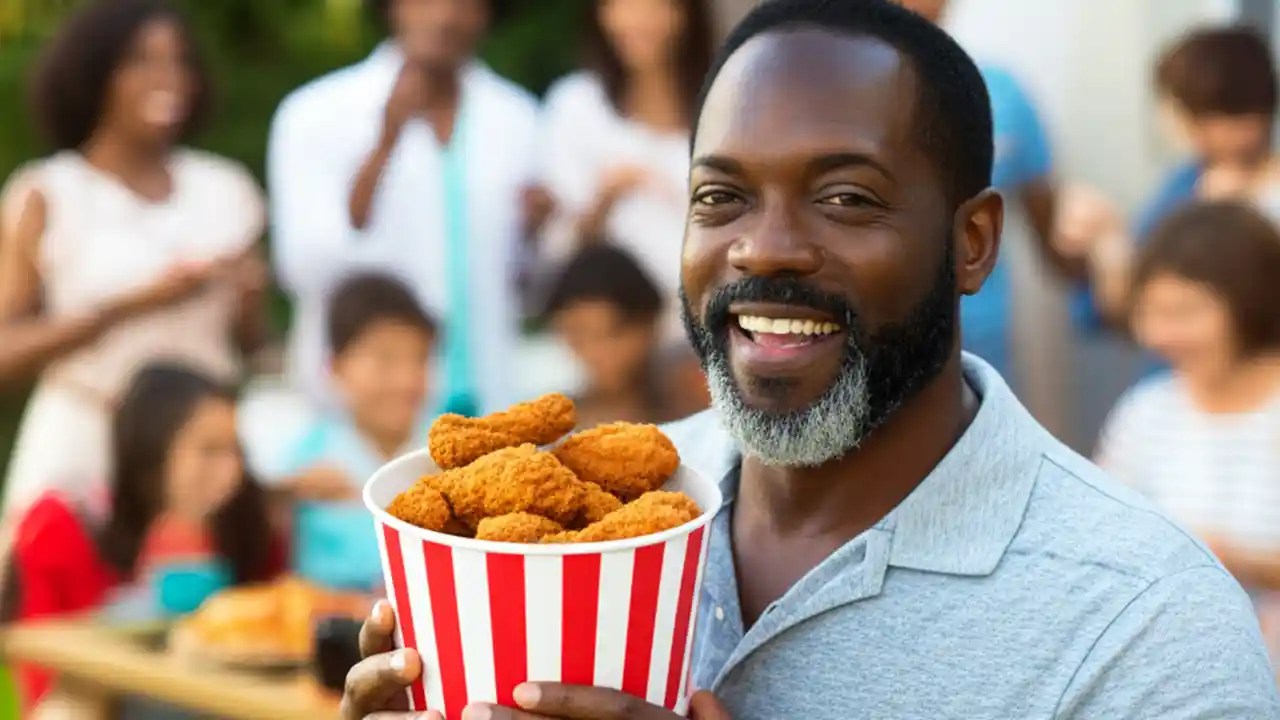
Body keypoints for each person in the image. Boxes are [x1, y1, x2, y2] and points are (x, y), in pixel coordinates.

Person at [342, 2, 1279, 718]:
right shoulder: (605, 517)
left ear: (973, 242)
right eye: (720, 198)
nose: (764, 248)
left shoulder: (1150, 628)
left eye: (845, 197)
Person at [0, 0, 267, 523]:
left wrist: (248, 300)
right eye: (140, 60)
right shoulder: (48, 193)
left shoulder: (224, 190)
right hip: (85, 441)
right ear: (94, 72)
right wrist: (132, 305)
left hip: (197, 463)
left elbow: (253, 348)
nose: (167, 78)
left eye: (179, 61)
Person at [269, 0, 539, 418]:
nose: (445, 16)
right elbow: (304, 267)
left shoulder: (519, 117)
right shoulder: (315, 112)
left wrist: (535, 229)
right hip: (364, 412)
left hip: (486, 397)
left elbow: (525, 284)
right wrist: (384, 144)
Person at [2, 363, 280, 714]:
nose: (230, 473)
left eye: (236, 452)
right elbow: (42, 673)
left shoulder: (242, 527)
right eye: (209, 451)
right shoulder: (66, 523)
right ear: (151, 448)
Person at [1097, 202, 1280, 596]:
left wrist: (1238, 560)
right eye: (1149, 312)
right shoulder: (1144, 413)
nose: (1160, 335)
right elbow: (1103, 538)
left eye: (1184, 312)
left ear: (1250, 305)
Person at [896, 0, 1077, 386]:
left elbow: (1057, 243)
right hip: (875, 341)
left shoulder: (1001, 91)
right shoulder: (831, 96)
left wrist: (1110, 254)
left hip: (980, 346)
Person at [1057, 27, 1279, 324]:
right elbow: (1127, 306)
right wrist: (1107, 241)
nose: (1193, 135)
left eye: (1208, 118)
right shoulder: (1185, 185)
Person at [539, 0, 714, 339]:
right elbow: (557, 252)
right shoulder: (576, 105)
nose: (640, 19)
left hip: (707, 334)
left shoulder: (723, 104)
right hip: (615, 342)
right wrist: (607, 196)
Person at [270, 274, 436, 591]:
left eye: (420, 359)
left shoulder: (447, 455)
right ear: (336, 367)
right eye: (385, 360)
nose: (406, 380)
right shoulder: (307, 457)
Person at [543, 245, 706, 428]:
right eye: (578, 336)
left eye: (611, 333)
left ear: (649, 322)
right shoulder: (562, 425)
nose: (595, 351)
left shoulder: (696, 394)